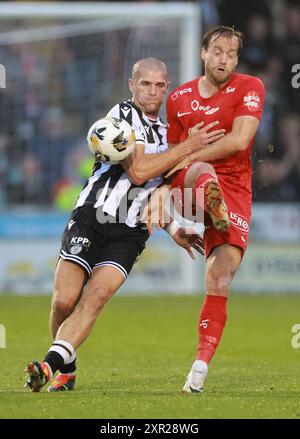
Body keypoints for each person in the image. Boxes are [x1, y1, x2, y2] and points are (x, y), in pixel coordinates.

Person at [24, 57, 224, 392]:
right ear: (132, 85)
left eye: (160, 85)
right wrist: (189, 147)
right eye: (146, 83)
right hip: (93, 216)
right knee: (64, 301)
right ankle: (67, 367)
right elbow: (140, 172)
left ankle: (49, 366)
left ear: (167, 87)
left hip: (131, 232)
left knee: (97, 297)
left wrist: (174, 228)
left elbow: (156, 189)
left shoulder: (168, 135)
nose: (153, 92)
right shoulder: (122, 115)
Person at [153, 26, 265, 393]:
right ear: (204, 53)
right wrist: (163, 191)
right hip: (192, 183)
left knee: (221, 277)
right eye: (218, 51)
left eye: (231, 54)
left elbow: (240, 140)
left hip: (235, 191)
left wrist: (192, 149)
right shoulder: (178, 98)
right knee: (201, 172)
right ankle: (208, 194)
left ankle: (198, 369)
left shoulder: (250, 87)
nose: (224, 59)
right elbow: (171, 158)